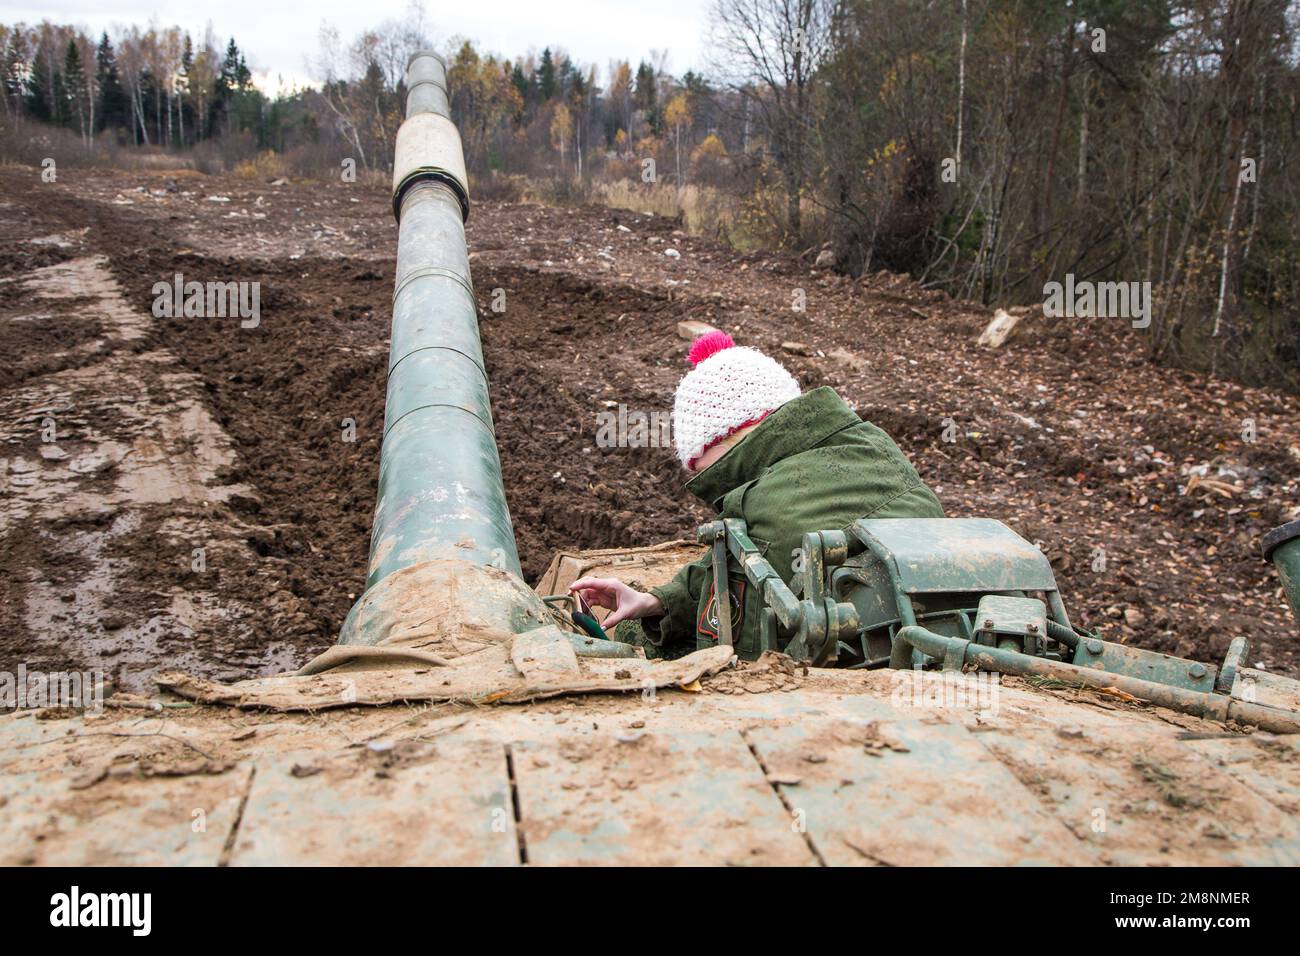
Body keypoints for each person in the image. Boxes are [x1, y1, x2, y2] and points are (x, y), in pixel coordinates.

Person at [570, 331, 944, 661]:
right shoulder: (874, 446)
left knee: (640, 637)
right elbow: (733, 560)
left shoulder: (763, 511)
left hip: (841, 676)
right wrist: (657, 601)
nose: (697, 473)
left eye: (699, 463)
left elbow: (734, 650)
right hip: (939, 634)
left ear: (722, 444)